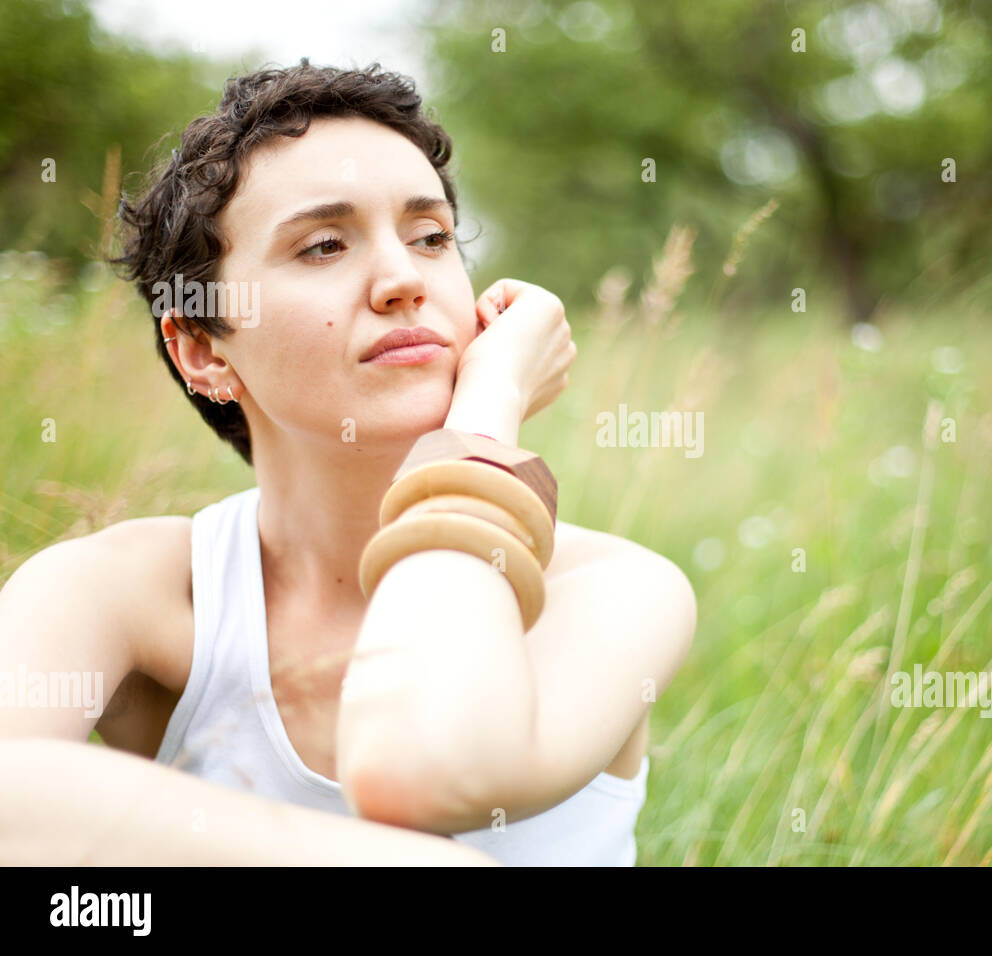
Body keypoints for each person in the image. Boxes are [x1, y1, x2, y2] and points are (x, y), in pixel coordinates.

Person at [0, 60, 697, 866]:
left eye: (431, 237)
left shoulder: (611, 590)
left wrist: (487, 410)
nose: (404, 279)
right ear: (201, 347)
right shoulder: (122, 591)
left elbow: (421, 768)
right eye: (324, 246)